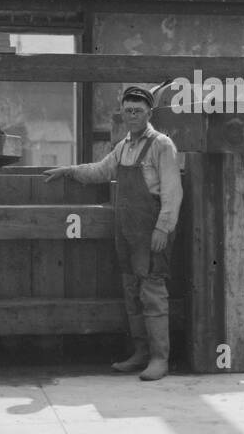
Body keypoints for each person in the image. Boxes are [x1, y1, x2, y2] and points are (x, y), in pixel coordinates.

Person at [45, 86, 182, 381]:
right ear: (122, 112)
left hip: (151, 231)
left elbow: (173, 192)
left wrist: (162, 228)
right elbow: (100, 171)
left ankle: (160, 359)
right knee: (132, 293)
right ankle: (141, 353)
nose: (132, 116)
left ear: (149, 113)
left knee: (153, 293)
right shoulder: (123, 147)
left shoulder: (162, 145)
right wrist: (70, 170)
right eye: (127, 110)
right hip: (127, 232)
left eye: (138, 111)